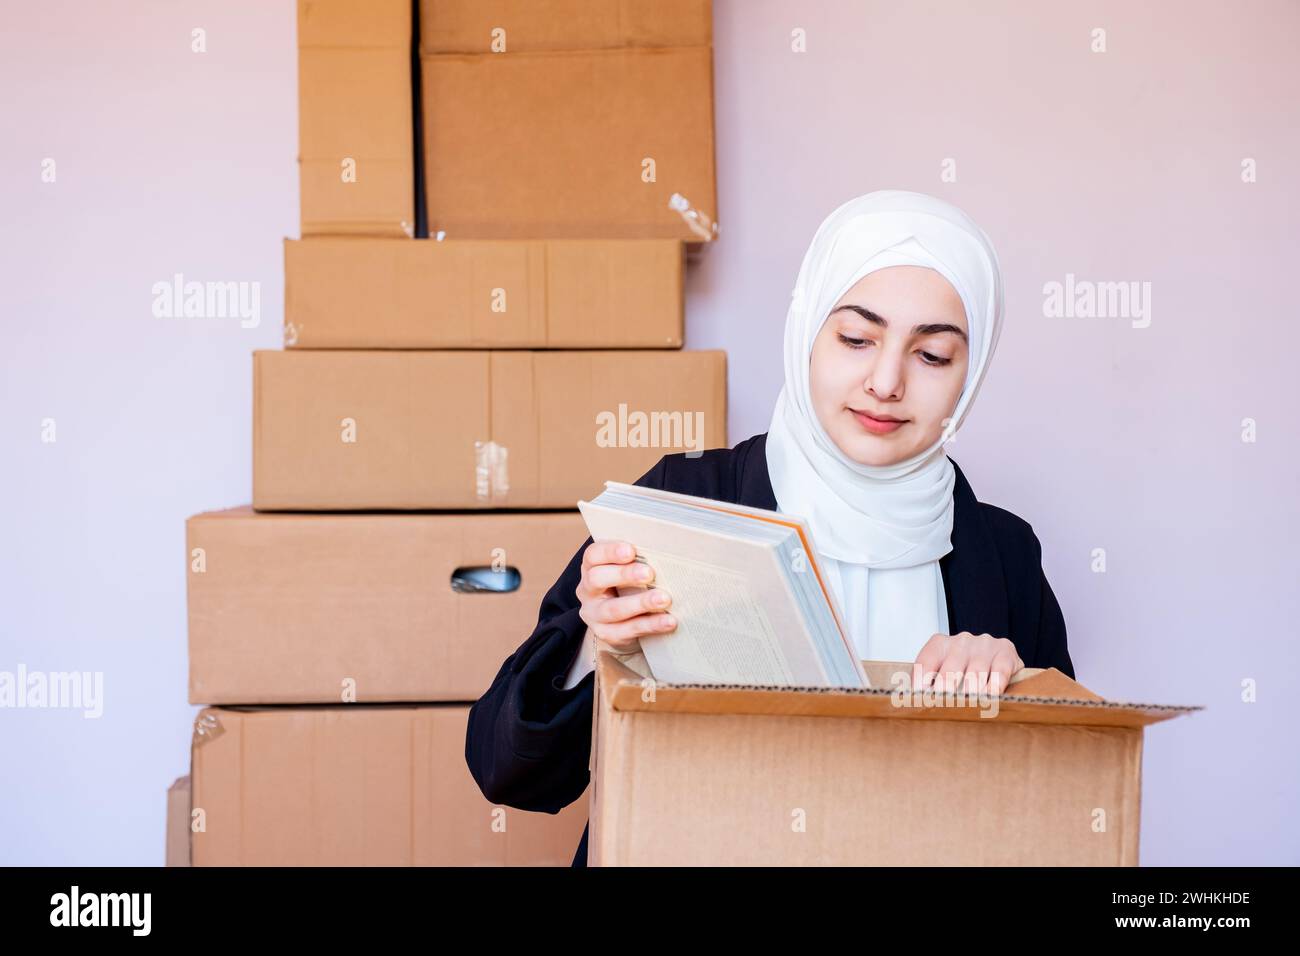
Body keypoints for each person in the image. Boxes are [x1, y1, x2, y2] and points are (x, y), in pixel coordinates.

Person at [464, 190, 1075, 867]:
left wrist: (1020, 699)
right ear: (807, 330)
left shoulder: (1005, 555)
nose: (885, 382)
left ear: (972, 373)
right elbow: (505, 771)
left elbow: (1067, 809)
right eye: (856, 339)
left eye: (932, 355)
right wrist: (595, 647)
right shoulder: (686, 498)